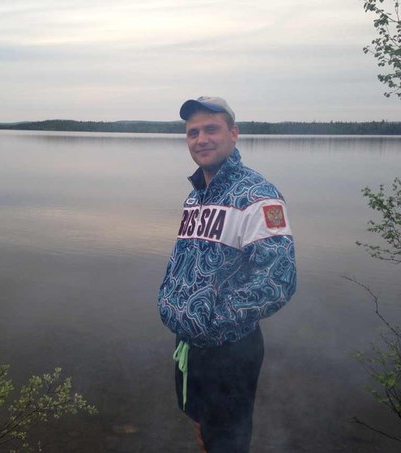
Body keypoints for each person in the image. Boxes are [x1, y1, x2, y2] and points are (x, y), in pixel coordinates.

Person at [157, 96, 297, 453]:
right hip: (191, 342)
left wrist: (211, 321)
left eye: (211, 129)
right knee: (200, 424)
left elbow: (277, 280)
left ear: (233, 134)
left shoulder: (257, 197)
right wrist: (172, 304)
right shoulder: (196, 198)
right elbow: (183, 262)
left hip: (230, 351)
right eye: (193, 133)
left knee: (227, 441)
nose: (201, 139)